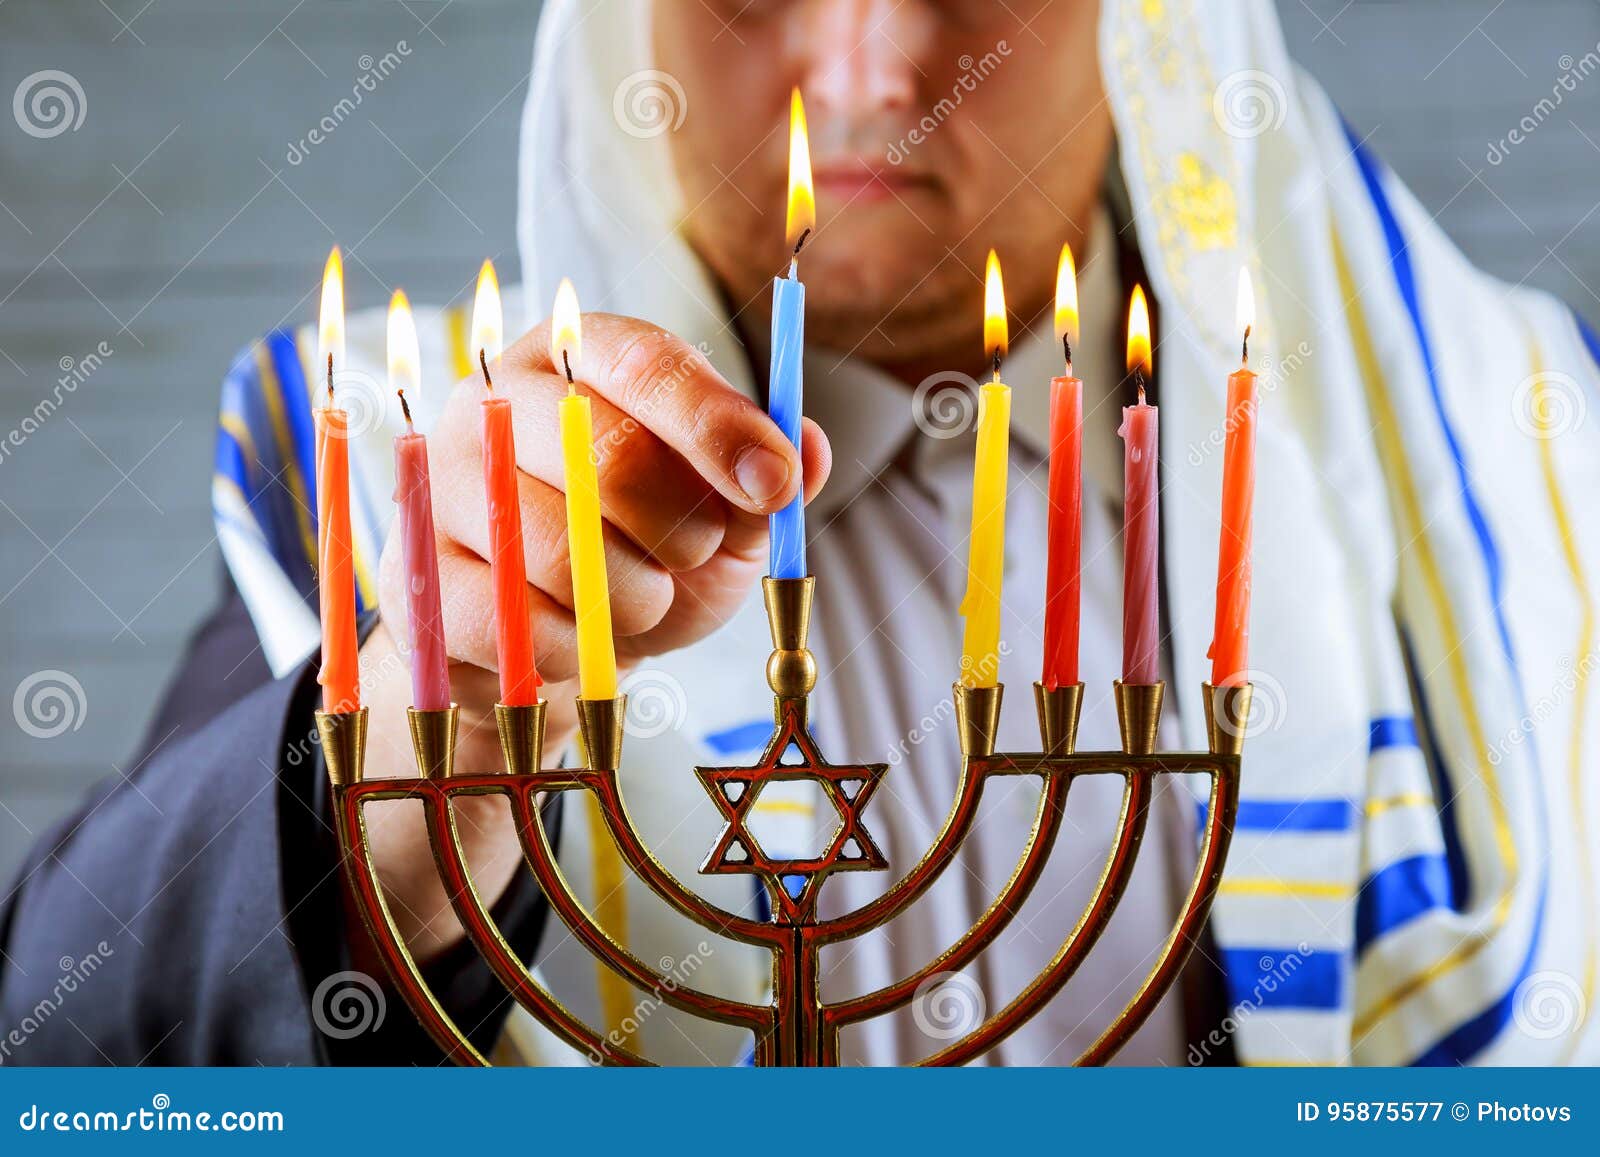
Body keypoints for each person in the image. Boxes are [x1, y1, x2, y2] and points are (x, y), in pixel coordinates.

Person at [3, 0, 1597, 1067]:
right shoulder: (402, 473)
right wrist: (394, 812)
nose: (873, 72)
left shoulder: (1532, 458)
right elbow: (60, 1032)